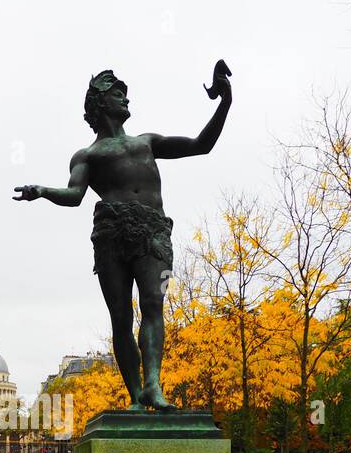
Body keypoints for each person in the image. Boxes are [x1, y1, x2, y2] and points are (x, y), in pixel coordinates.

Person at [14, 62, 231, 410]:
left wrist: (225, 101)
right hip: (111, 234)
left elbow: (201, 145)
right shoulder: (87, 155)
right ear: (100, 104)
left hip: (153, 234)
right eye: (119, 95)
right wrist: (41, 189)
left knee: (153, 305)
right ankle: (135, 396)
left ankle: (153, 386)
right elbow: (74, 196)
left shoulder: (147, 142)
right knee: (121, 318)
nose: (126, 100)